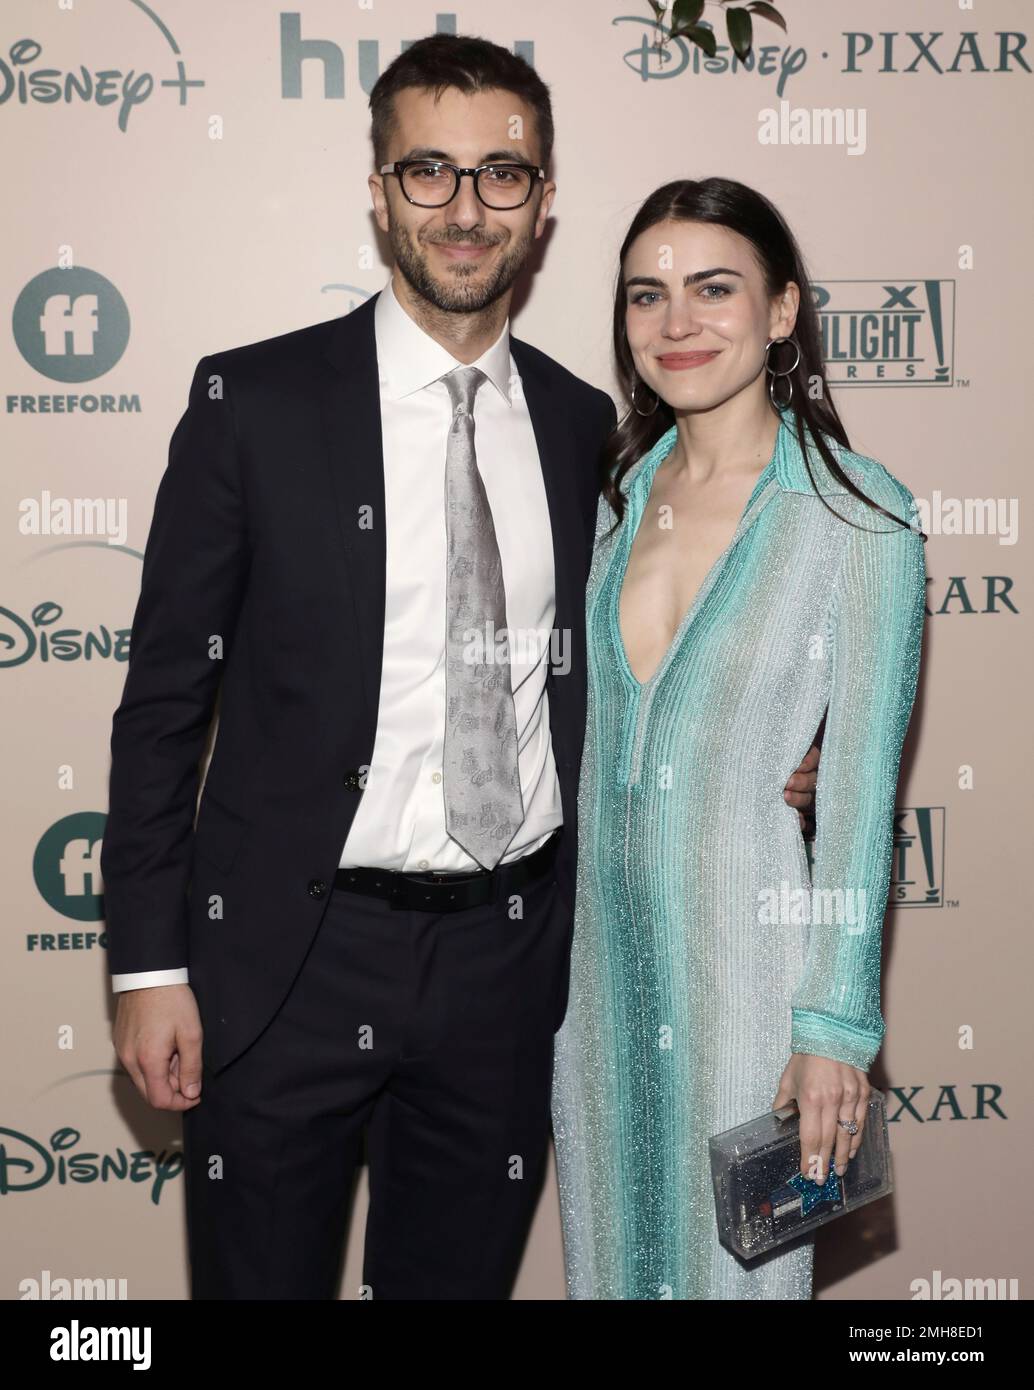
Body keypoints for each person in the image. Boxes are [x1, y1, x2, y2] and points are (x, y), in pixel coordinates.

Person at [101, 37, 818, 1300]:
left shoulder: (584, 428)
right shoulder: (250, 405)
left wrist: (760, 751)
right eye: (427, 171)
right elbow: (162, 708)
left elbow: (640, 662)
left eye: (500, 173)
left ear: (542, 206)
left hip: (506, 965)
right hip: (282, 965)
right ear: (378, 191)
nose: (464, 207)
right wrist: (150, 965)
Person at [550, 177, 926, 1300]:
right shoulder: (606, 500)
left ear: (779, 312)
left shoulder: (858, 514)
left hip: (754, 991)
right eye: (644, 296)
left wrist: (833, 1031)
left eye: (713, 289)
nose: (674, 325)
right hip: (591, 1002)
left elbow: (857, 800)